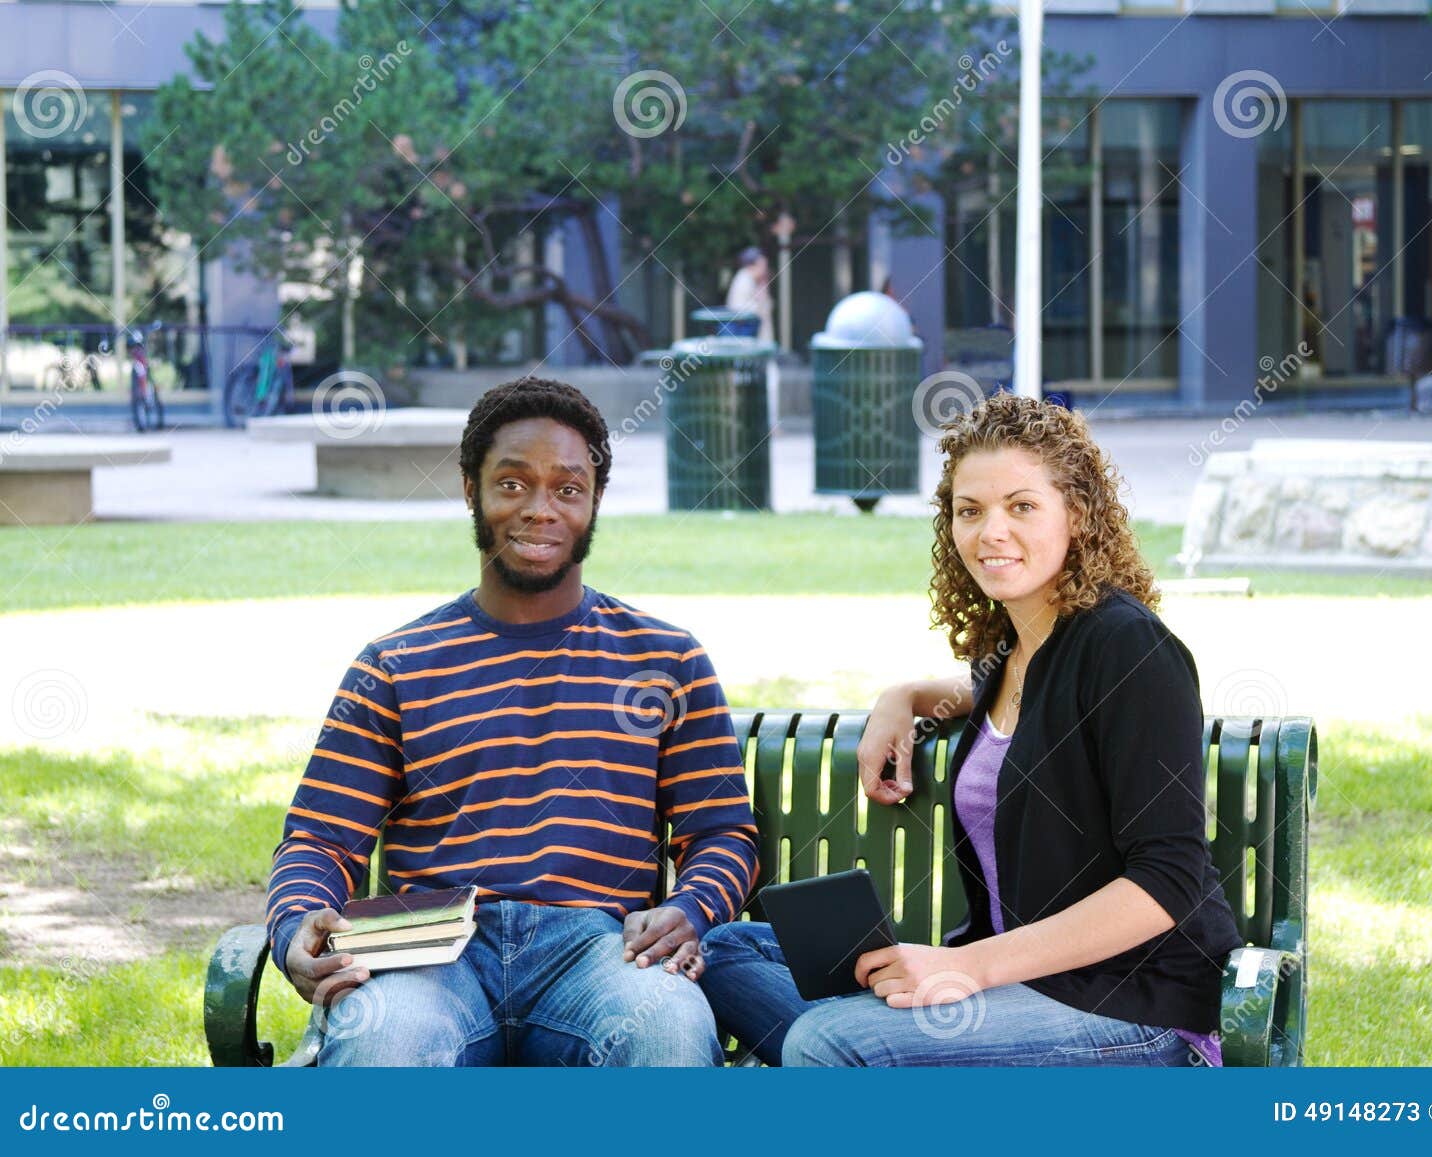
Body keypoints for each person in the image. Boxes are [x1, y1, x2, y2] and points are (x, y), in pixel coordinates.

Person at [698, 391, 1241, 1066]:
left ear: (1077, 512)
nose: (991, 533)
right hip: (1013, 989)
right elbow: (1007, 698)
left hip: (1135, 1008)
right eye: (970, 510)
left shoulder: (1129, 648)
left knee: (826, 1040)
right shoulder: (1016, 654)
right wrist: (906, 695)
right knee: (722, 952)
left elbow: (1169, 880)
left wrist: (969, 969)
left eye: (1022, 505)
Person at [266, 376, 759, 1066]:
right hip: (430, 951)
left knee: (667, 1029)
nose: (540, 509)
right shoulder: (395, 666)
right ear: (471, 488)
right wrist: (296, 927)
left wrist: (694, 907)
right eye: (512, 483)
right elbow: (318, 838)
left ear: (593, 502)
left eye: (567, 488)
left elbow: (721, 832)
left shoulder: (666, 660)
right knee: (385, 1040)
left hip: (597, 950)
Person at [724, 246, 774, 344]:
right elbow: (738, 308)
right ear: (751, 266)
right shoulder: (744, 279)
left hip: (752, 334)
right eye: (762, 265)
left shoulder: (754, 281)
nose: (765, 269)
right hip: (743, 334)